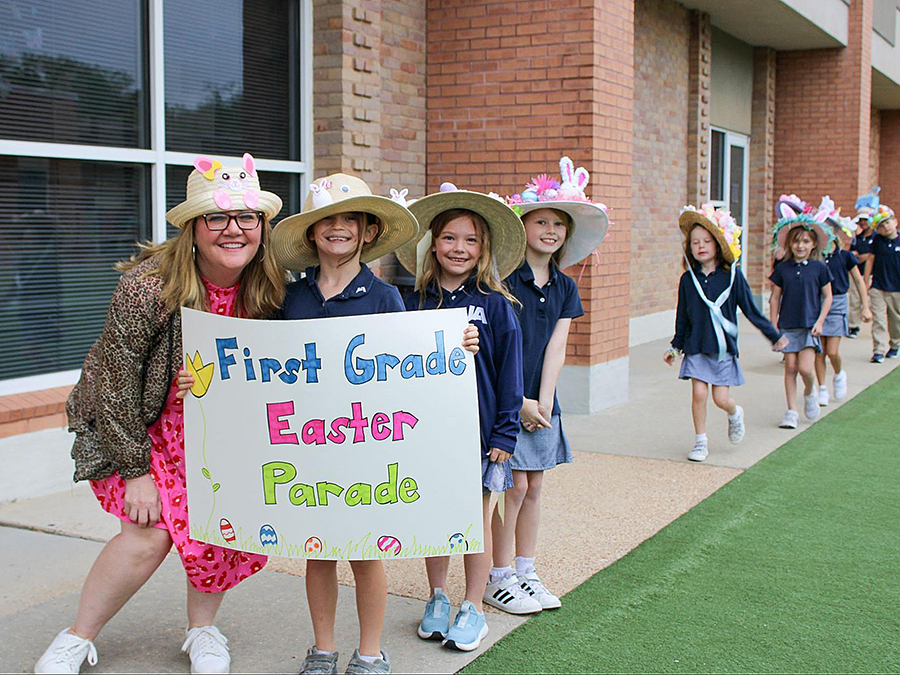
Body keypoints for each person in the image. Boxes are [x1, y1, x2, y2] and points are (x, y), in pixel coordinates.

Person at [35, 154, 286, 675]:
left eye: (247, 218)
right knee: (147, 534)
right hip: (139, 424)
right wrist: (136, 471)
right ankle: (77, 637)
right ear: (194, 228)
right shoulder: (151, 285)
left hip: (216, 426)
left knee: (220, 525)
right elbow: (115, 378)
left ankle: (202, 631)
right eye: (217, 218)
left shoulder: (271, 286)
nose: (233, 230)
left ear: (262, 227)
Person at [396, 183, 525, 652]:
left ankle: (473, 605)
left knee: (472, 519)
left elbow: (510, 374)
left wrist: (504, 435)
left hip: (478, 433)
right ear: (433, 243)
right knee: (435, 519)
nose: (459, 248)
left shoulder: (496, 306)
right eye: (449, 238)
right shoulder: (411, 301)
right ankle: (436, 597)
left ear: (483, 249)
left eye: (470, 240)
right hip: (425, 432)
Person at [485, 158, 607, 614]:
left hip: (542, 402)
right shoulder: (501, 280)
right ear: (523, 226)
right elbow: (498, 349)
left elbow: (557, 347)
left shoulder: (564, 286)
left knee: (534, 487)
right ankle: (498, 576)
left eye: (559, 223)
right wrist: (518, 402)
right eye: (542, 221)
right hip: (508, 400)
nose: (551, 230)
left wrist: (546, 401)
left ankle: (525, 570)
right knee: (512, 488)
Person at [665, 204, 787, 461]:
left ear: (719, 244)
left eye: (707, 241)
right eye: (695, 242)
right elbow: (682, 316)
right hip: (696, 346)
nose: (701, 246)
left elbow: (752, 311)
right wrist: (675, 346)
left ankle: (734, 413)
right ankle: (700, 442)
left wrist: (774, 336)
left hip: (722, 349)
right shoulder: (688, 280)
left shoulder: (733, 276)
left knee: (721, 399)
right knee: (699, 394)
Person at [768, 199, 834, 429]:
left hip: (809, 326)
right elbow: (774, 298)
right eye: (796, 241)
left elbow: (828, 297)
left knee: (806, 369)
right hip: (787, 325)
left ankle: (809, 391)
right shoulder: (782, 268)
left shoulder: (819, 268)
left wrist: (821, 321)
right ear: (789, 244)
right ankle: (791, 411)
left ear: (814, 244)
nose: (800, 245)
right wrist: (772, 326)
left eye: (806, 241)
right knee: (790, 367)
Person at [814, 198, 872, 404]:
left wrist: (865, 307)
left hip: (838, 302)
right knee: (819, 350)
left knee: (832, 351)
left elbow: (858, 280)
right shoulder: (816, 257)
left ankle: (838, 374)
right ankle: (821, 388)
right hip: (817, 304)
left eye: (832, 229)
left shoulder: (845, 256)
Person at [864, 205, 900, 363]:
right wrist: (866, 282)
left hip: (897, 287)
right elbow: (870, 259)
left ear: (895, 222)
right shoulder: (877, 241)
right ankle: (878, 349)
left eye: (887, 223)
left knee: (895, 319)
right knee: (878, 319)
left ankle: (895, 344)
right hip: (878, 285)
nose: (885, 227)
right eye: (880, 225)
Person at [848, 187, 880, 337]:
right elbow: (853, 250)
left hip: (872, 273)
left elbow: (873, 255)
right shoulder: (858, 237)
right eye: (861, 220)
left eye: (866, 220)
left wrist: (866, 256)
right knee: (854, 299)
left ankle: (874, 324)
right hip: (856, 271)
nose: (863, 222)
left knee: (873, 302)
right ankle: (853, 326)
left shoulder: (876, 237)